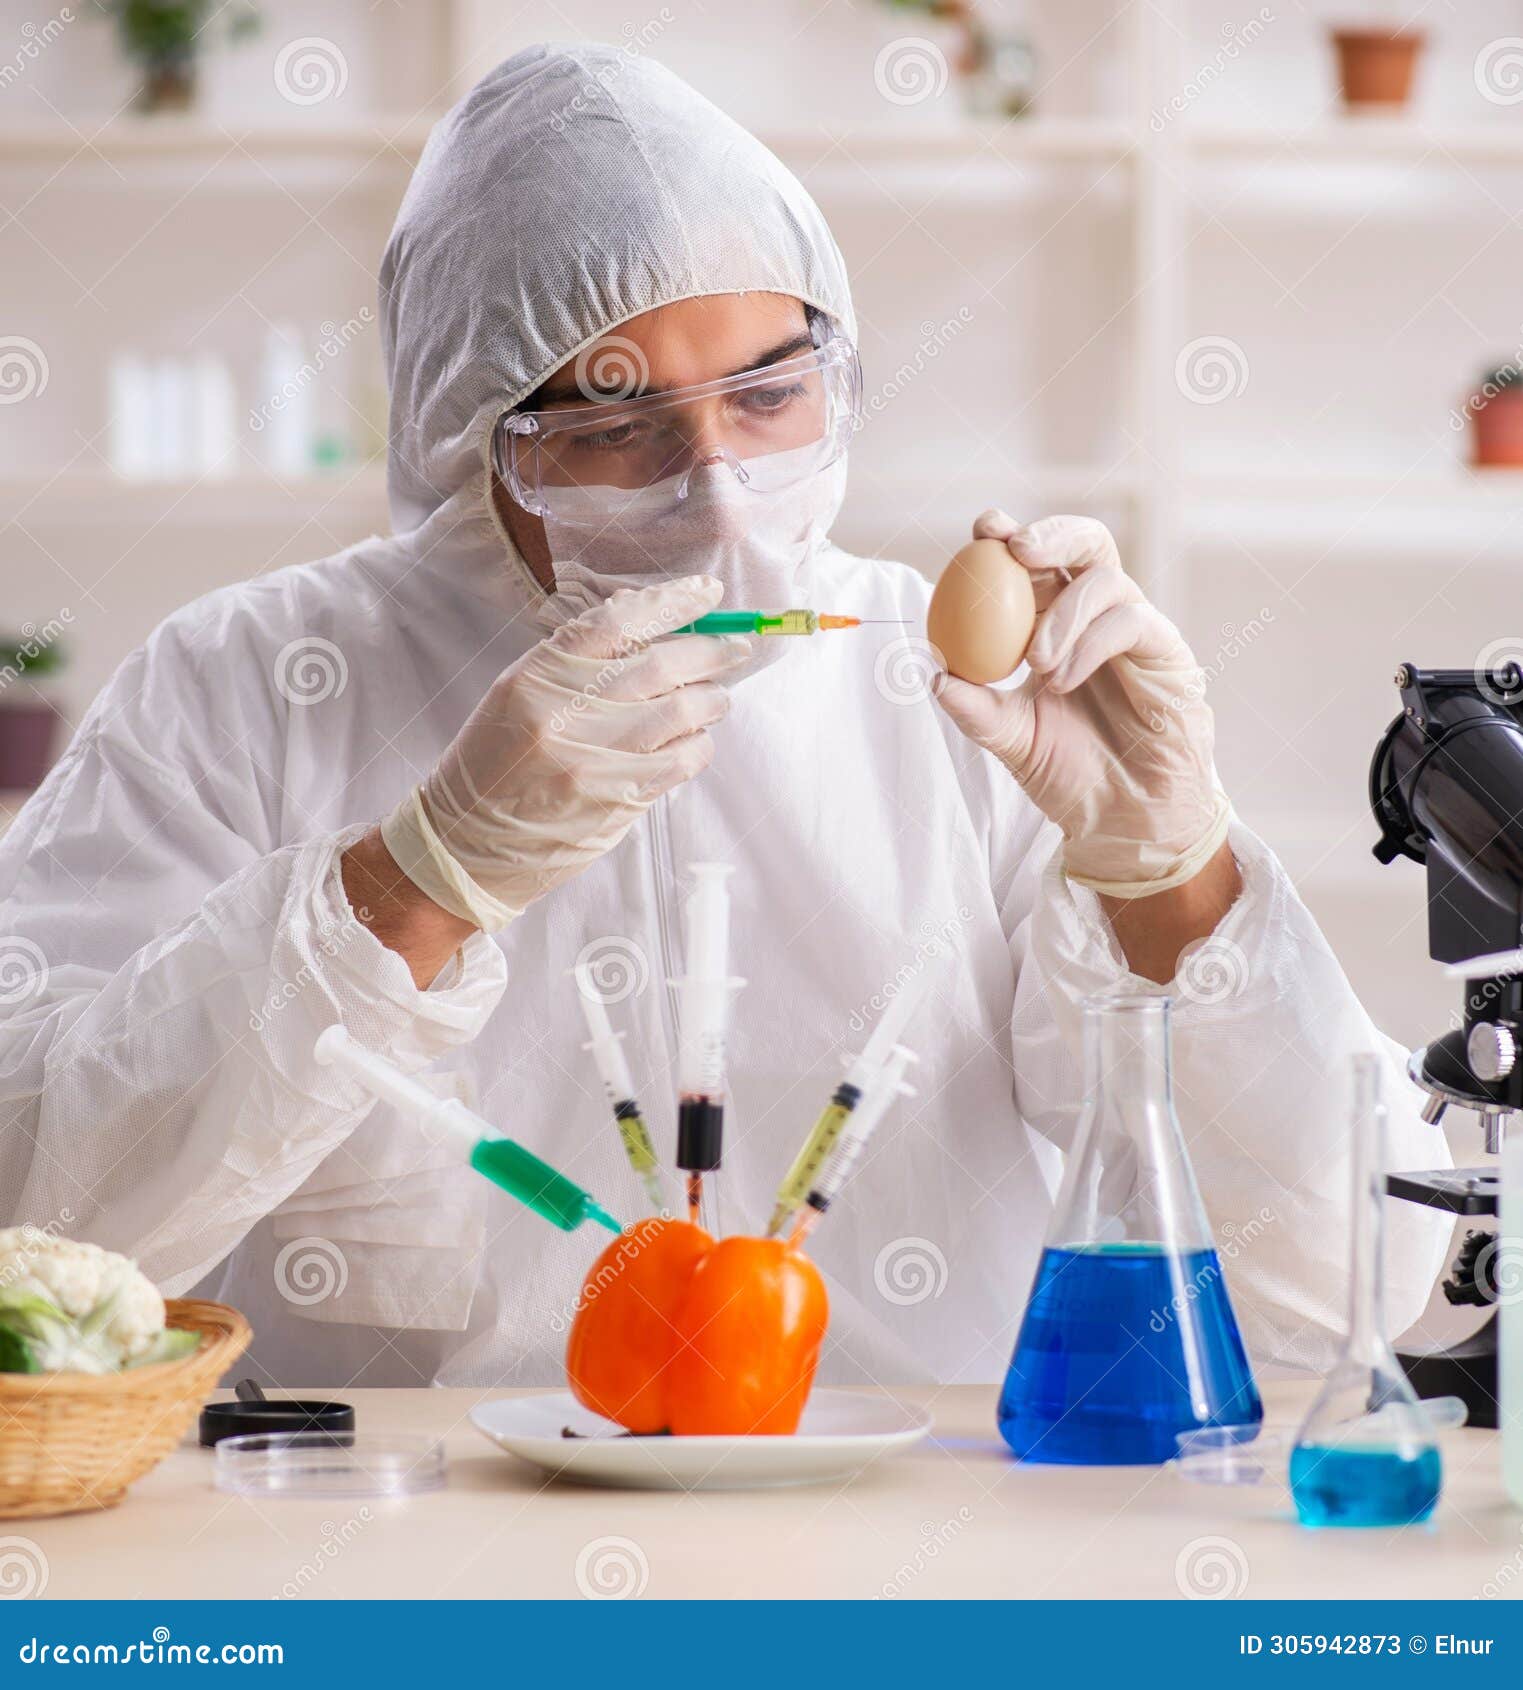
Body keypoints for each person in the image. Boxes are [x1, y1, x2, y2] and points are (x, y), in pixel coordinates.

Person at [0, 45, 1449, 1388]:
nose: (713, 484)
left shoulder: (977, 700)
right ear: (475, 432)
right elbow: (36, 1228)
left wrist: (1173, 879)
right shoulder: (250, 685)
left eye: (768, 396)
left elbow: (1341, 1291)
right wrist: (407, 887)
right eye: (618, 424)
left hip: (920, 1547)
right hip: (412, 1549)